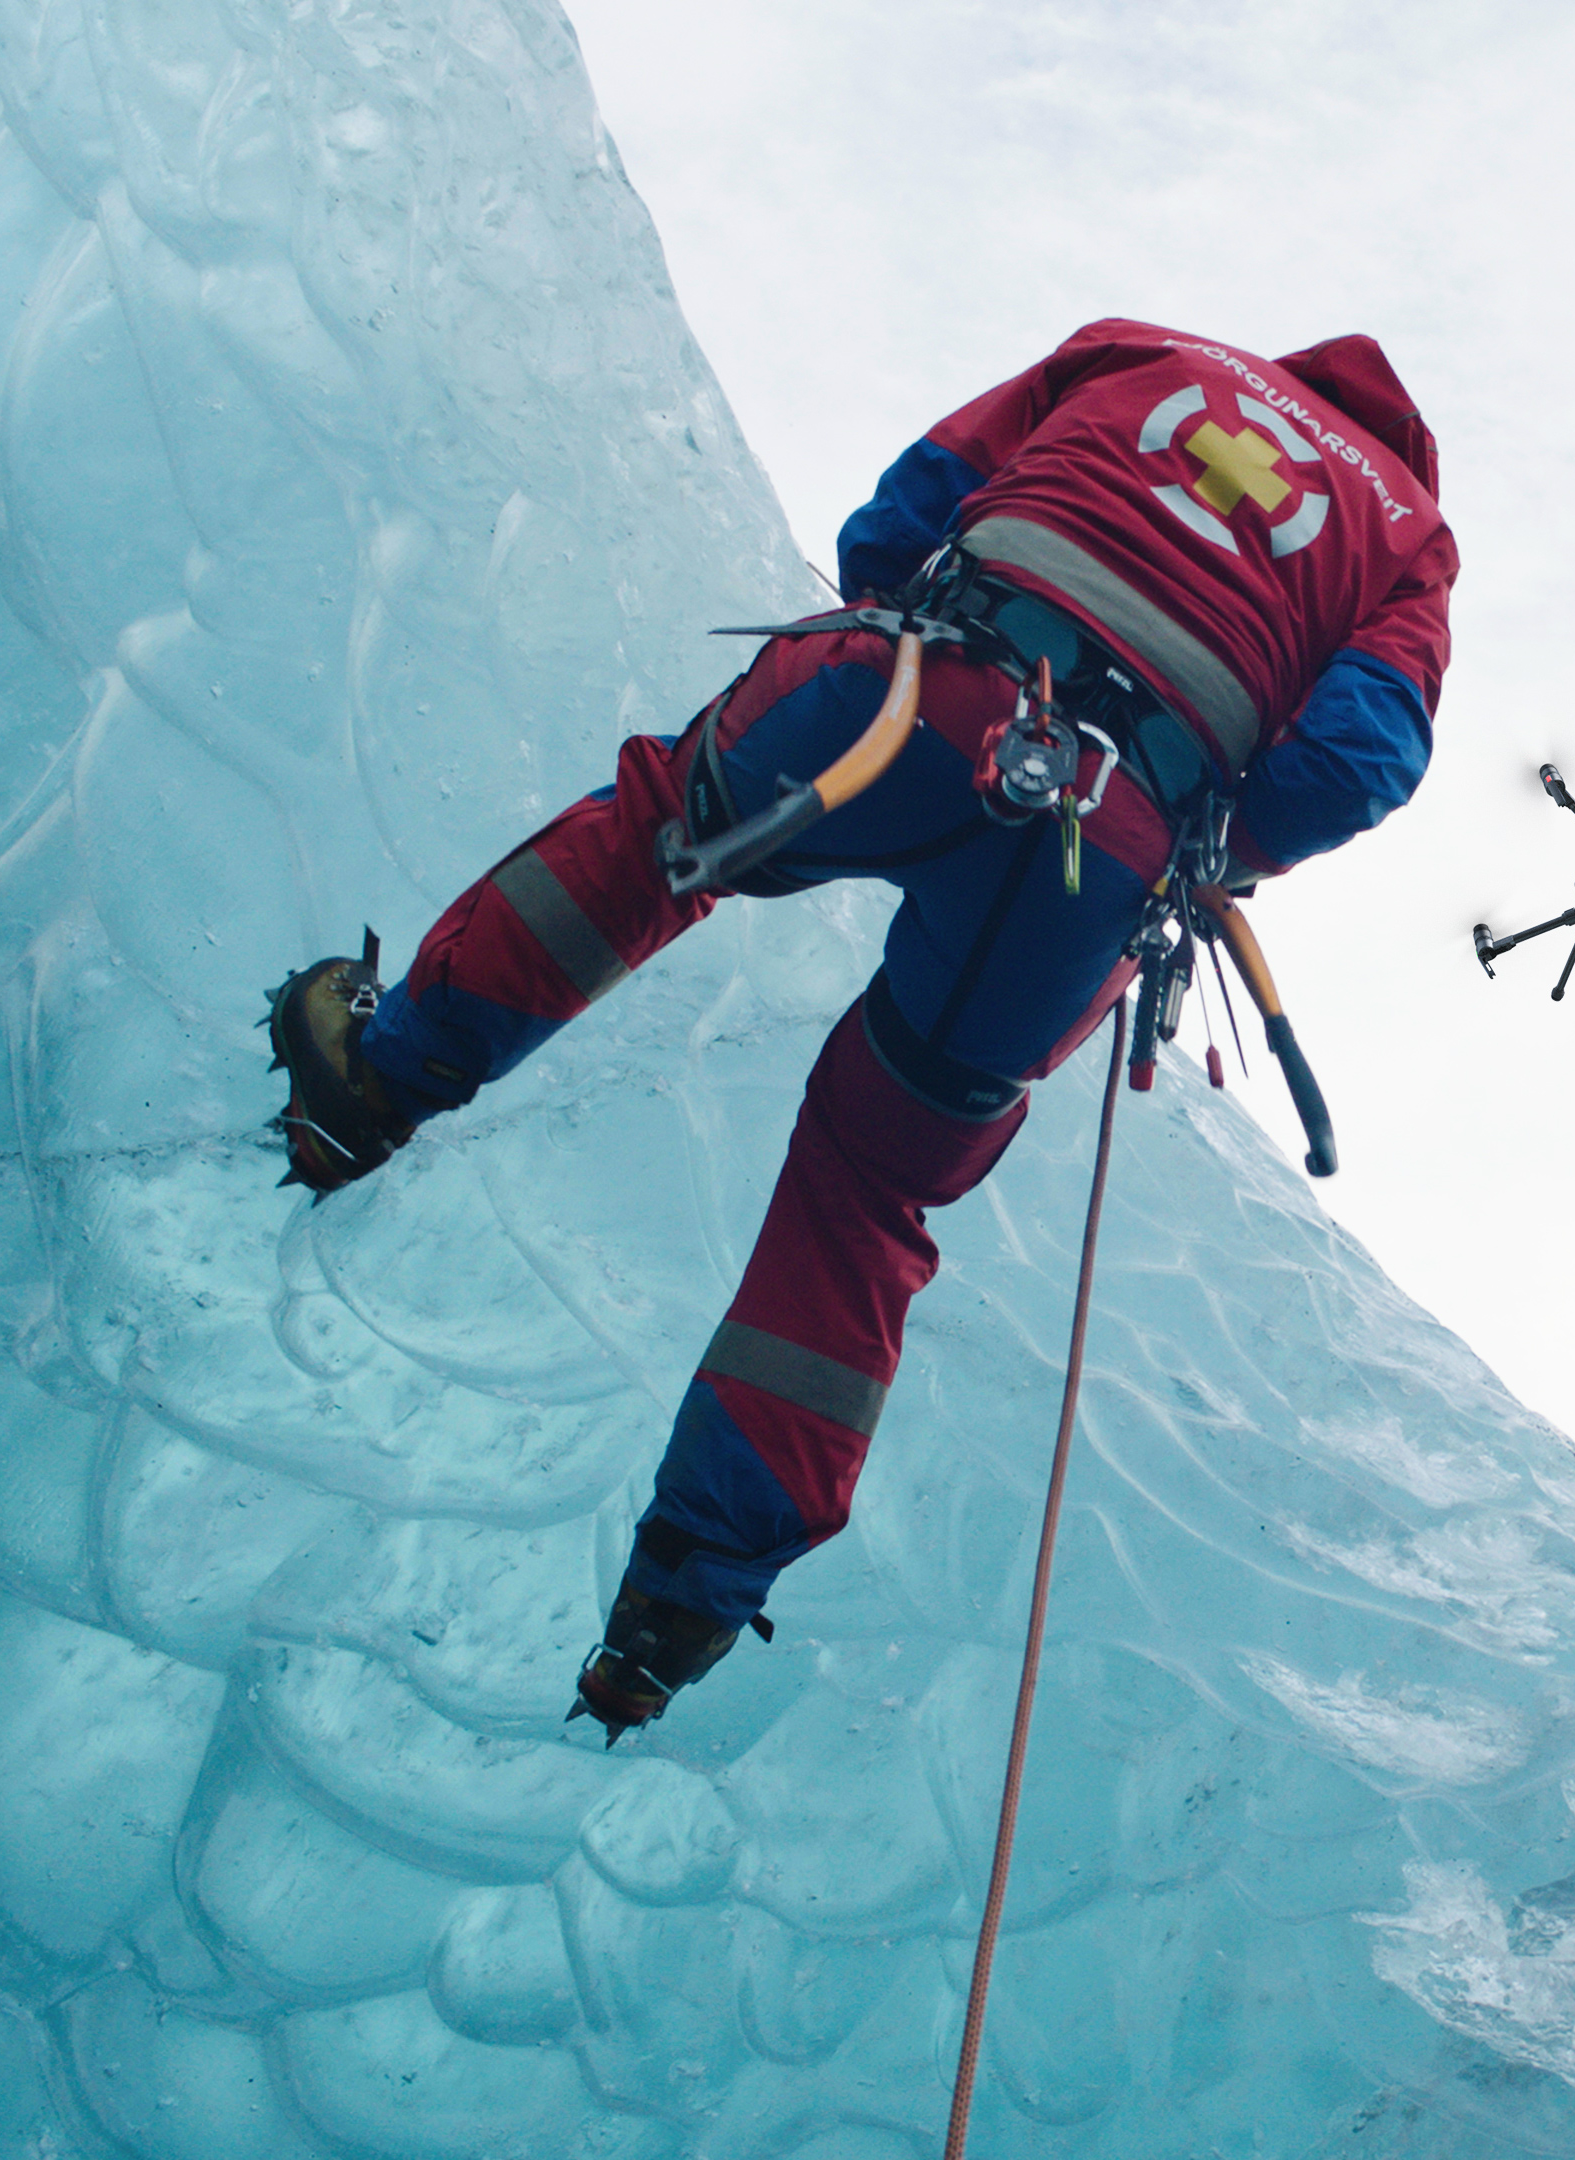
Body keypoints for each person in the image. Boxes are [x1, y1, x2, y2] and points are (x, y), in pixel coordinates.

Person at [264, 321, 1453, 1739]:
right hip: (1112, 829)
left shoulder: (1147, 350)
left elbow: (916, 498)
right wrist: (1213, 843)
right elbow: (1360, 756)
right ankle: (684, 1601)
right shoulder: (1408, 532)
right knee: (873, 1180)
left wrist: (900, 624)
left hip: (919, 684)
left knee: (665, 835)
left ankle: (375, 1081)